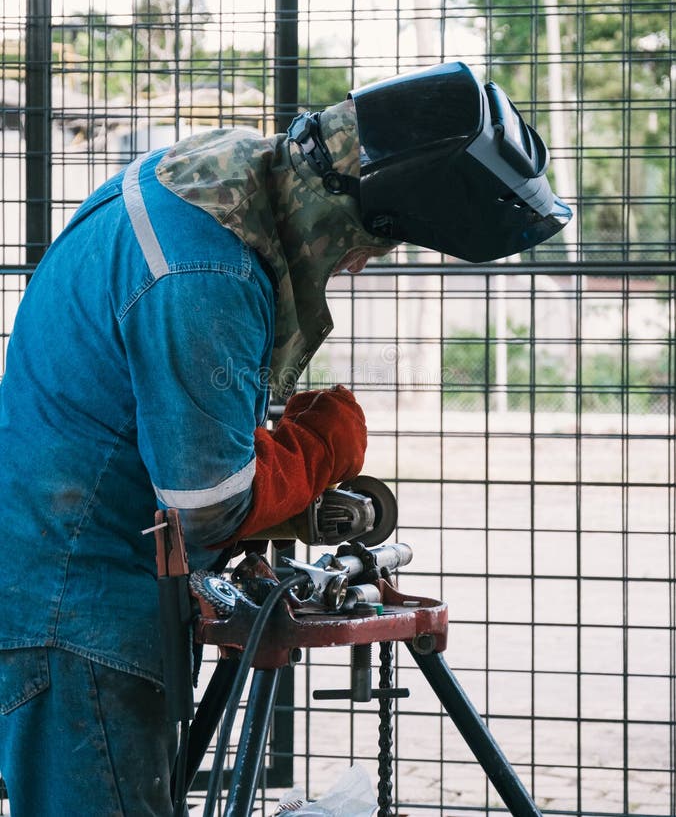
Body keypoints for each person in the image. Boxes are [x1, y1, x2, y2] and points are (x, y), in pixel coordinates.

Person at [0, 61, 571, 815]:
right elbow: (206, 505)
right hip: (77, 618)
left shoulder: (212, 180)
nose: (361, 264)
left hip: (62, 588)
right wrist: (324, 447)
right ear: (365, 221)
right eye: (376, 248)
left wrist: (296, 500)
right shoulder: (205, 271)